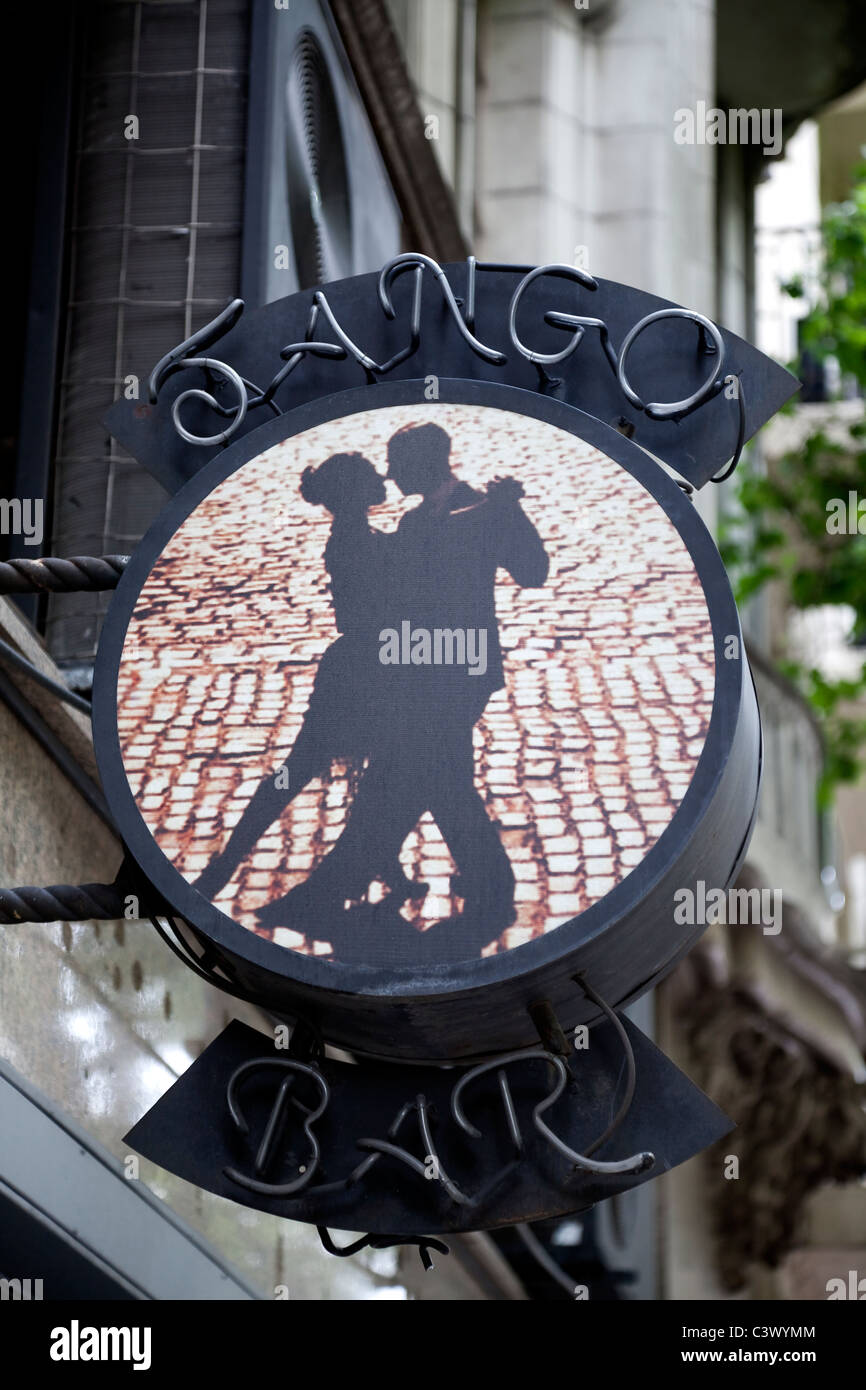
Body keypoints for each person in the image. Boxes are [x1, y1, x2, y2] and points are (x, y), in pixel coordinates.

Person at [256, 422, 550, 944]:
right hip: (414, 675)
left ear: (424, 464)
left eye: (396, 464)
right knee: (434, 779)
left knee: (406, 778)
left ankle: (332, 889)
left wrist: (511, 511)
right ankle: (491, 886)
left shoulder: (484, 509)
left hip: (459, 673)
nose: (389, 475)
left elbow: (532, 570)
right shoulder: (418, 521)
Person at [193, 452, 425, 906]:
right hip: (363, 672)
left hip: (363, 667)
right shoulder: (353, 540)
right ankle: (225, 865)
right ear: (354, 492)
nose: (380, 479)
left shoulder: (357, 535)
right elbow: (370, 607)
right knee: (305, 771)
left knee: (366, 773)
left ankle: (387, 868)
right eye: (369, 477)